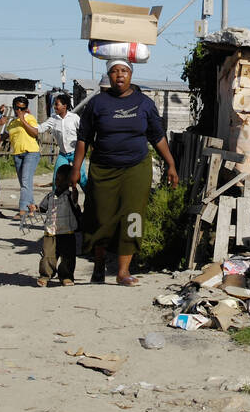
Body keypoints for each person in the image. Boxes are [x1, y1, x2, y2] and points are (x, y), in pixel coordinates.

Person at [71, 60, 179, 286]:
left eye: (124, 71)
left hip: (136, 168)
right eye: (114, 71)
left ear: (131, 74)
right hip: (102, 168)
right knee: (101, 216)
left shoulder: (144, 103)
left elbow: (157, 137)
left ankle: (123, 271)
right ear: (108, 76)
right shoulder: (97, 103)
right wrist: (76, 169)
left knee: (133, 216)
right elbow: (84, 138)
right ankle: (99, 264)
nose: (119, 75)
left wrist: (170, 164)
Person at [31, 163, 79, 286]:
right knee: (47, 255)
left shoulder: (70, 196)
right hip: (50, 231)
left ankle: (66, 276)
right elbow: (42, 208)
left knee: (67, 256)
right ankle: (45, 275)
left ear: (69, 182)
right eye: (57, 179)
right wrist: (34, 208)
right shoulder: (50, 196)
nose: (58, 182)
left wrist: (74, 188)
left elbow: (75, 201)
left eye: (63, 180)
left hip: (67, 231)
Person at [6, 95, 42, 221]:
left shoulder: (29, 118)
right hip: (17, 154)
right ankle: (31, 206)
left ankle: (23, 210)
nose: (19, 111)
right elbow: (5, 136)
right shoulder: (12, 123)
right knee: (24, 183)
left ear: (26, 108)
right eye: (17, 108)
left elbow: (35, 132)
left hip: (31, 153)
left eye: (22, 108)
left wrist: (23, 120)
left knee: (25, 182)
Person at [38, 92, 80, 183]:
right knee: (57, 179)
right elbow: (40, 129)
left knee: (82, 178)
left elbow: (84, 131)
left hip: (76, 154)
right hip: (63, 154)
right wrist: (26, 122)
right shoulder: (53, 119)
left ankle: (89, 196)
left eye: (57, 104)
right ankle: (56, 196)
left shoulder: (74, 118)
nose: (55, 107)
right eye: (54, 104)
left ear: (64, 106)